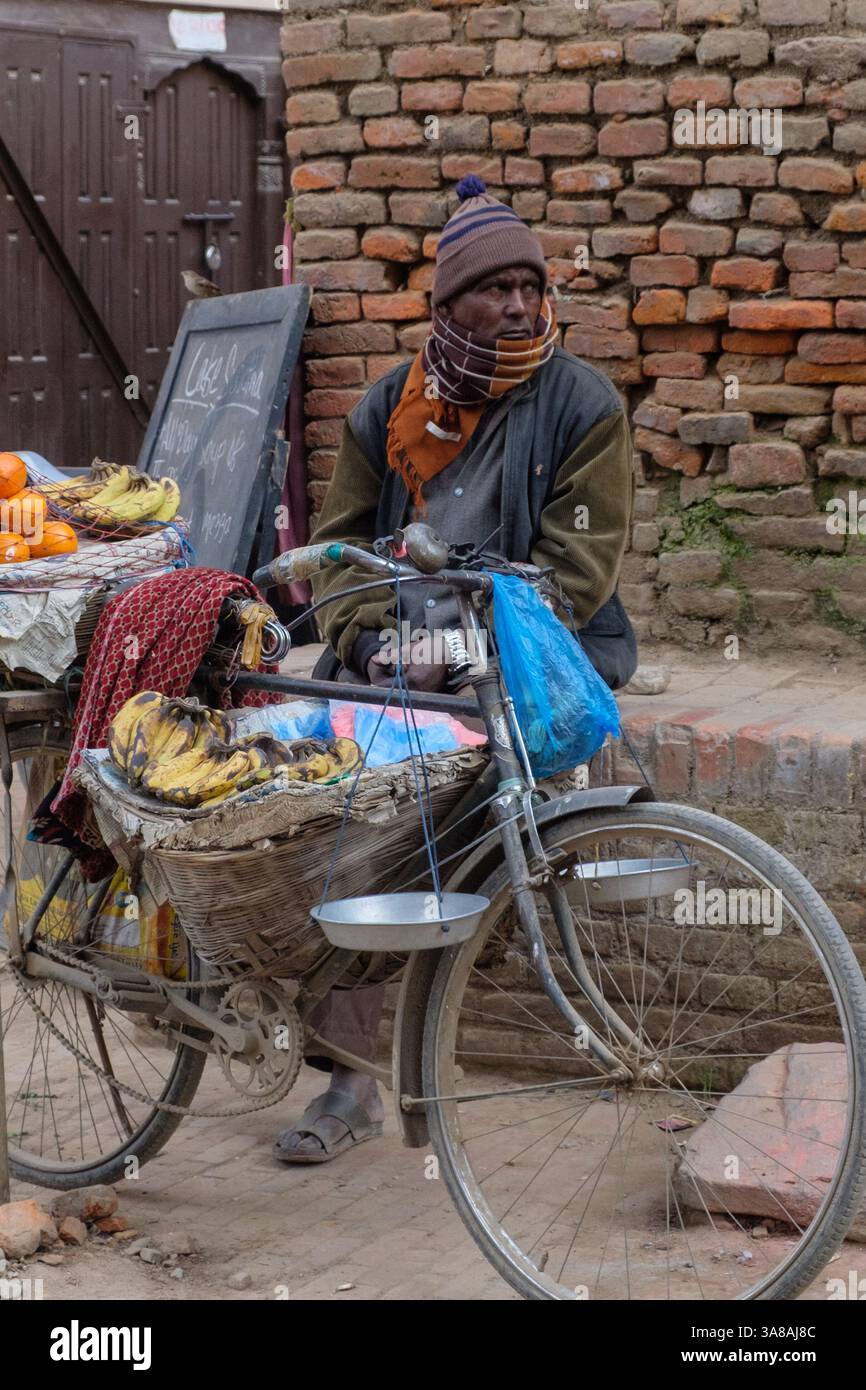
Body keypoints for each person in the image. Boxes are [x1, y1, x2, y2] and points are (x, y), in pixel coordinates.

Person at [273, 174, 637, 1164]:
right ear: (445, 308)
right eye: (495, 289)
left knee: (460, 815)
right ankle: (349, 1075)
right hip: (399, 665)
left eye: (531, 285)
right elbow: (335, 568)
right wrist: (383, 646)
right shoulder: (386, 409)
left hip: (531, 663)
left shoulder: (583, 406)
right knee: (343, 827)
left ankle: (455, 1040)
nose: (519, 306)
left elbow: (573, 573)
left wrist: (467, 652)